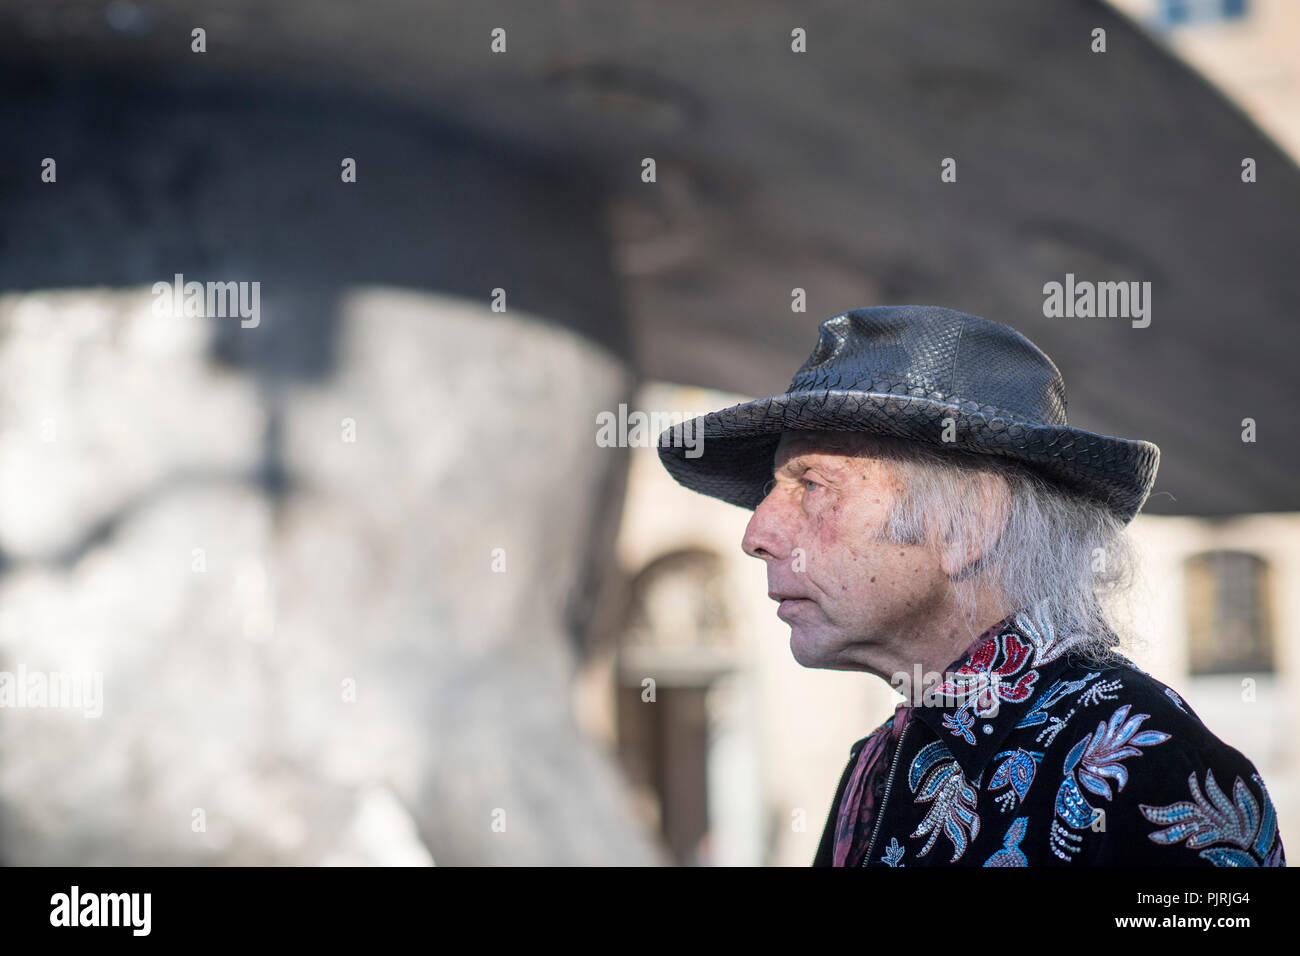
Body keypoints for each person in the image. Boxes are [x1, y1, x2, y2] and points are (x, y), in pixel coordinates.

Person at [656, 305, 1285, 867]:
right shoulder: (884, 757)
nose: (758, 532)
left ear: (970, 526)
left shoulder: (1153, 765)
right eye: (772, 489)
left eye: (813, 485)